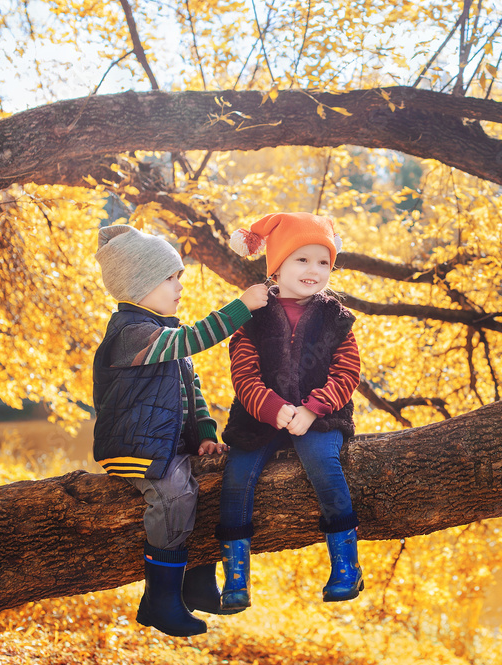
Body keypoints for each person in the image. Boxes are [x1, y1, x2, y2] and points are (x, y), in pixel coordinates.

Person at [92, 224, 269, 637]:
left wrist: (205, 432)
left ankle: (197, 585)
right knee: (174, 496)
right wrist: (241, 307)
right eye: (169, 278)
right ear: (138, 286)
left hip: (168, 443)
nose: (178, 286)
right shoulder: (132, 334)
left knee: (209, 485)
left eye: (179, 277)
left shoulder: (164, 333)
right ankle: (162, 600)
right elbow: (195, 338)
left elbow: (192, 392)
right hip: (135, 445)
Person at [218, 211, 363, 610]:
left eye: (323, 262)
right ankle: (235, 577)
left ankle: (346, 565)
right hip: (260, 417)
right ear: (277, 265)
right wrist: (272, 407)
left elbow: (348, 370)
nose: (313, 270)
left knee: (323, 463)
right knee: (236, 477)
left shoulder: (335, 318)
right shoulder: (254, 317)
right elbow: (243, 372)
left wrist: (315, 408)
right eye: (302, 259)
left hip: (321, 416)